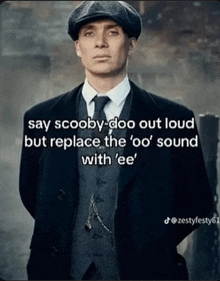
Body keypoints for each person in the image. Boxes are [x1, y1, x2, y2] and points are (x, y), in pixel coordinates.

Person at [19, 1, 213, 280]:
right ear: (77, 47)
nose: (100, 43)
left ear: (131, 44)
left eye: (112, 32)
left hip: (149, 272)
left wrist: (151, 240)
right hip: (57, 271)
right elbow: (32, 193)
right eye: (88, 33)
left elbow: (197, 202)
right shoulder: (41, 118)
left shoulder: (174, 118)